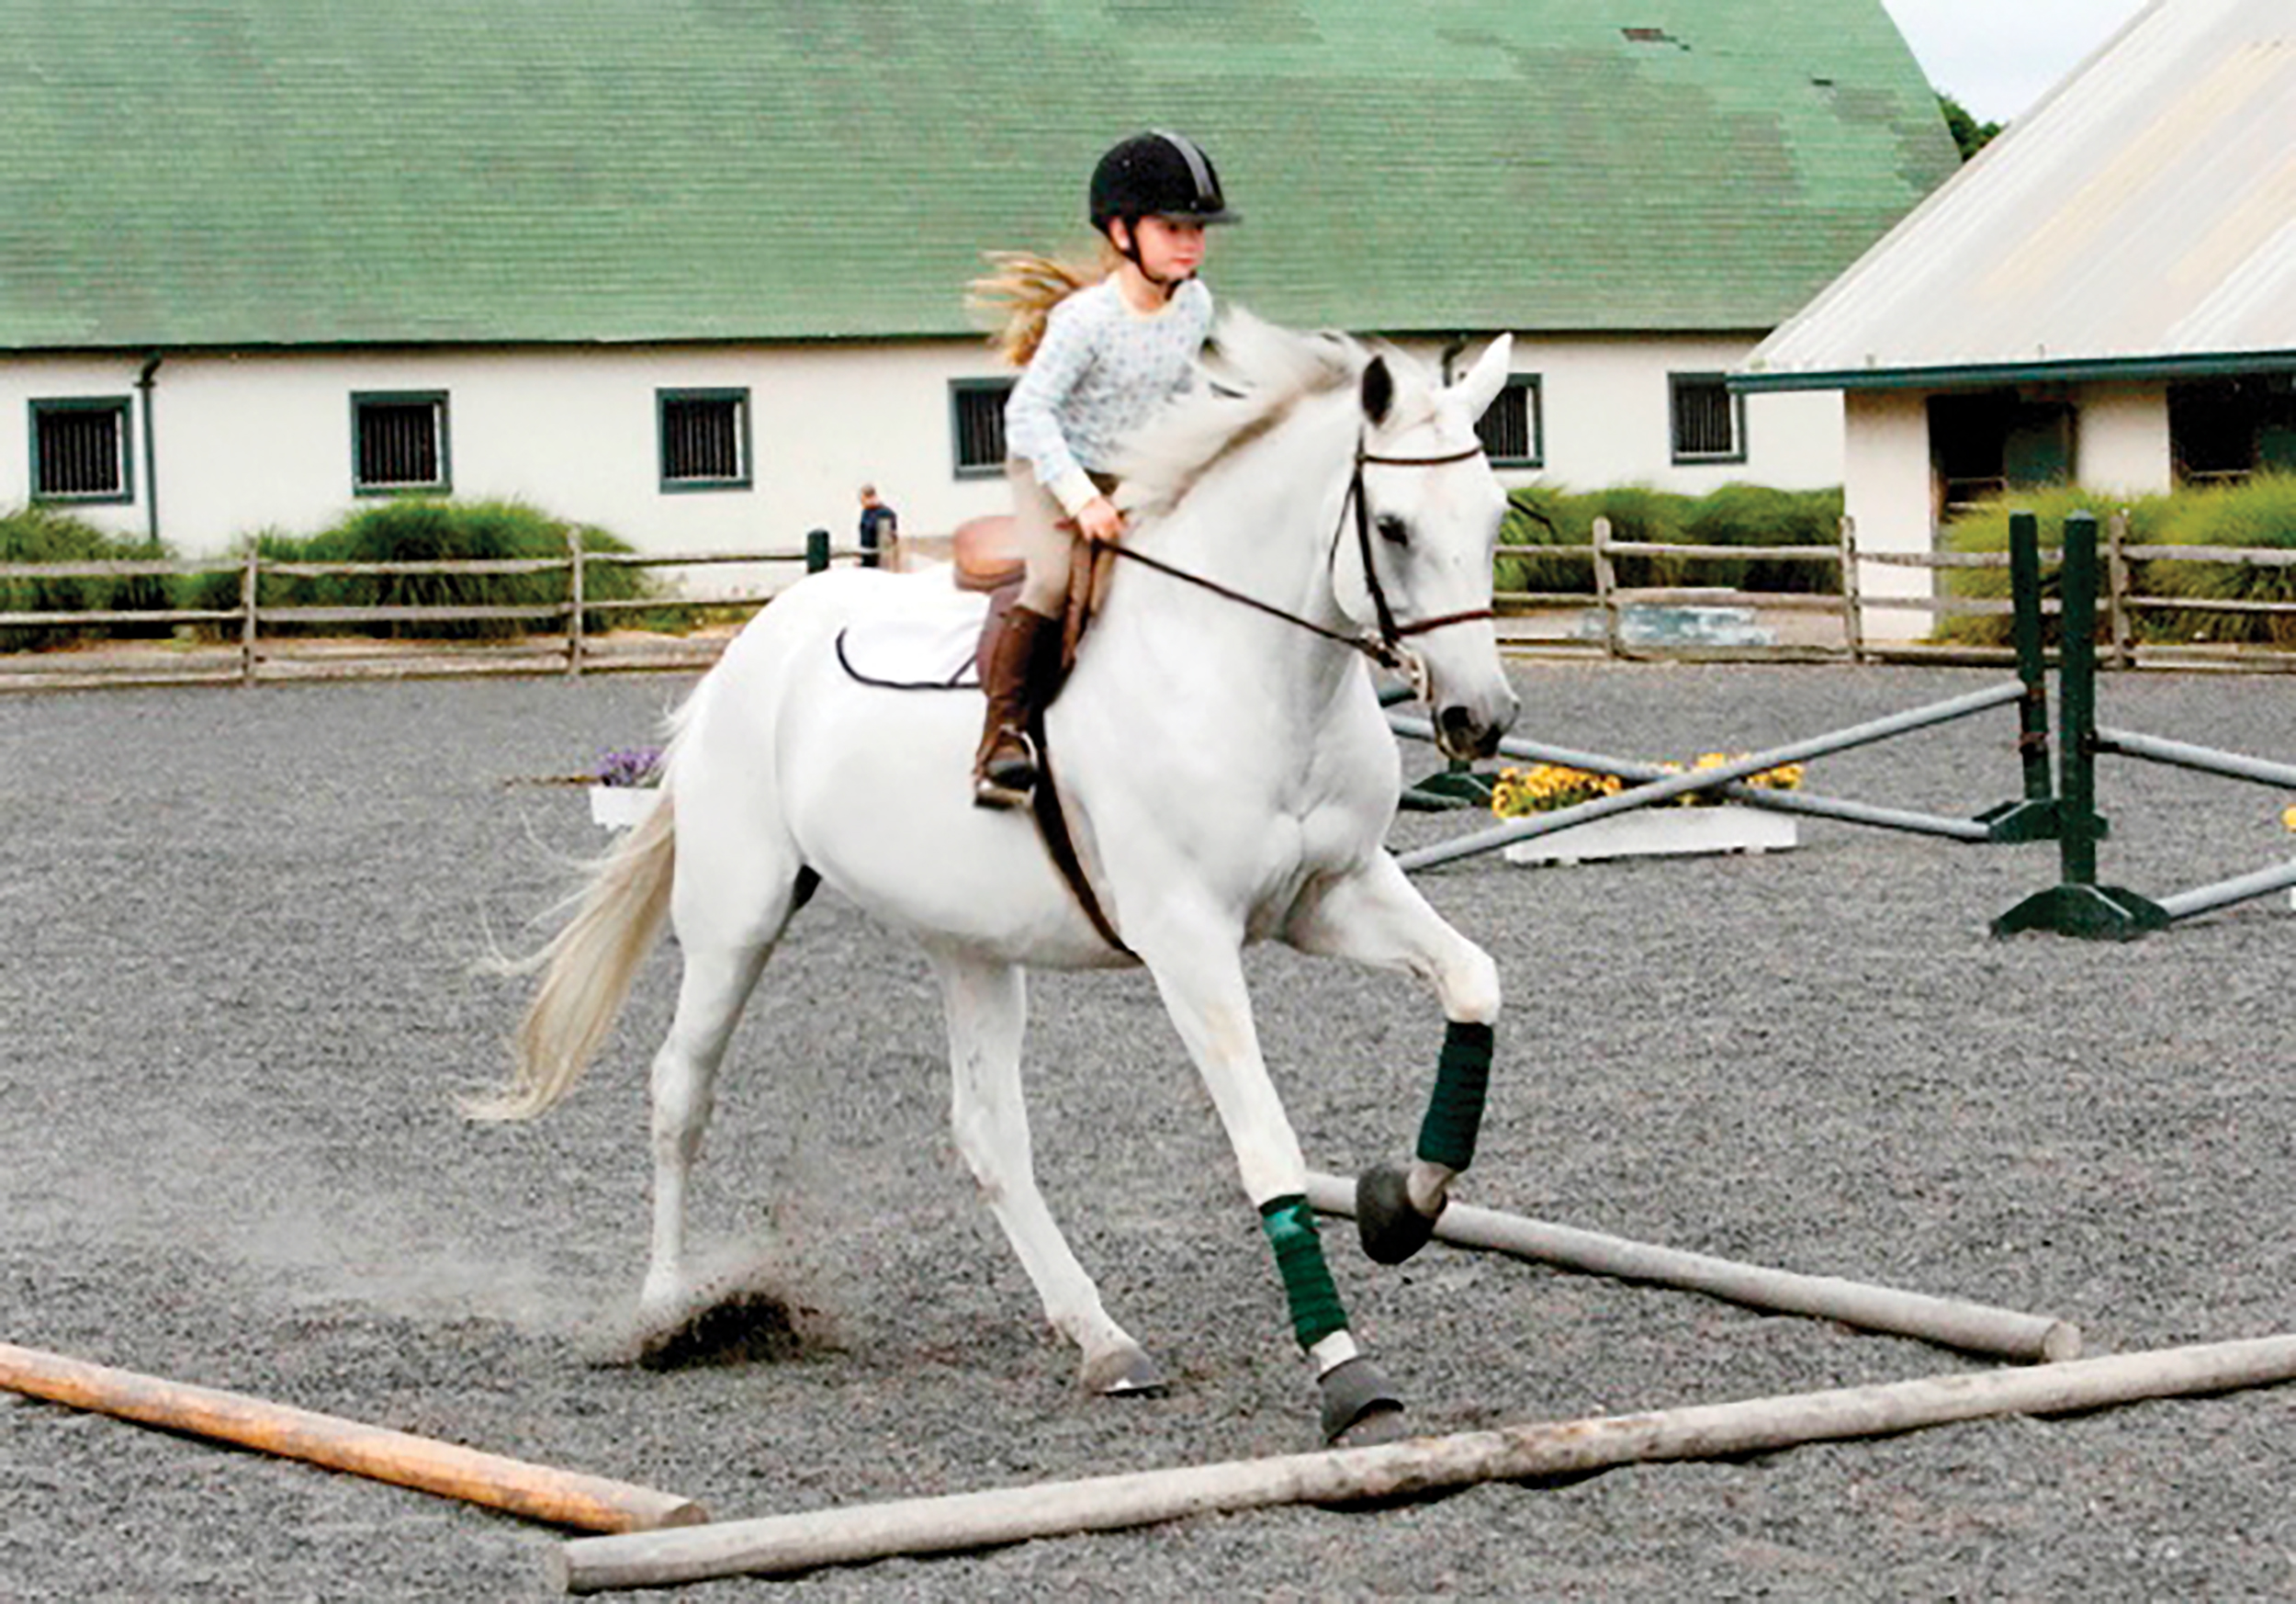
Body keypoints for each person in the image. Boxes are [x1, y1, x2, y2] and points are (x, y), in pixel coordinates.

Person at [965, 129, 1238, 809]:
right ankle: (1000, 738)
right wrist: (1082, 499)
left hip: (1135, 471)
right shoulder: (1085, 320)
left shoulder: (1195, 306)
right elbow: (1027, 416)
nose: (1191, 243)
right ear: (1122, 232)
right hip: (1054, 465)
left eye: (1198, 230)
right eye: (1172, 227)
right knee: (1057, 581)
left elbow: (1180, 393)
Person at [856, 484, 896, 568]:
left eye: (863, 500)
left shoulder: (885, 513)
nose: (862, 503)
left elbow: (889, 536)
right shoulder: (866, 513)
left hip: (880, 557)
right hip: (867, 556)